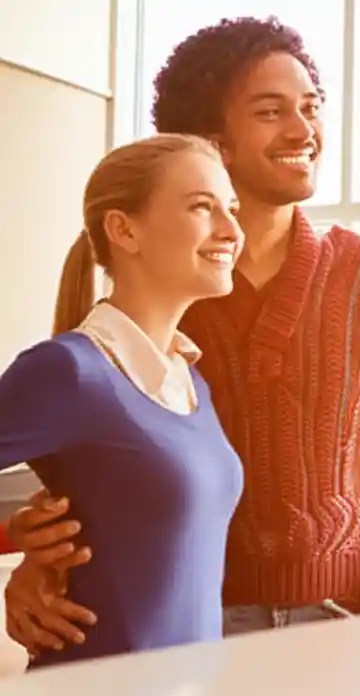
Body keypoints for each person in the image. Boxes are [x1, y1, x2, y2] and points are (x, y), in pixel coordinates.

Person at [4, 16, 360, 647]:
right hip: (188, 628)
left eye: (311, 107)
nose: (303, 129)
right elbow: (89, 466)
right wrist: (37, 554)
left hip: (339, 623)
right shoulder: (169, 287)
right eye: (270, 111)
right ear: (213, 139)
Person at [0, 134, 244, 667]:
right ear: (124, 229)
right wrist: (10, 535)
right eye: (202, 207)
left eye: (231, 208)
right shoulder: (67, 371)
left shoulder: (188, 379)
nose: (231, 230)